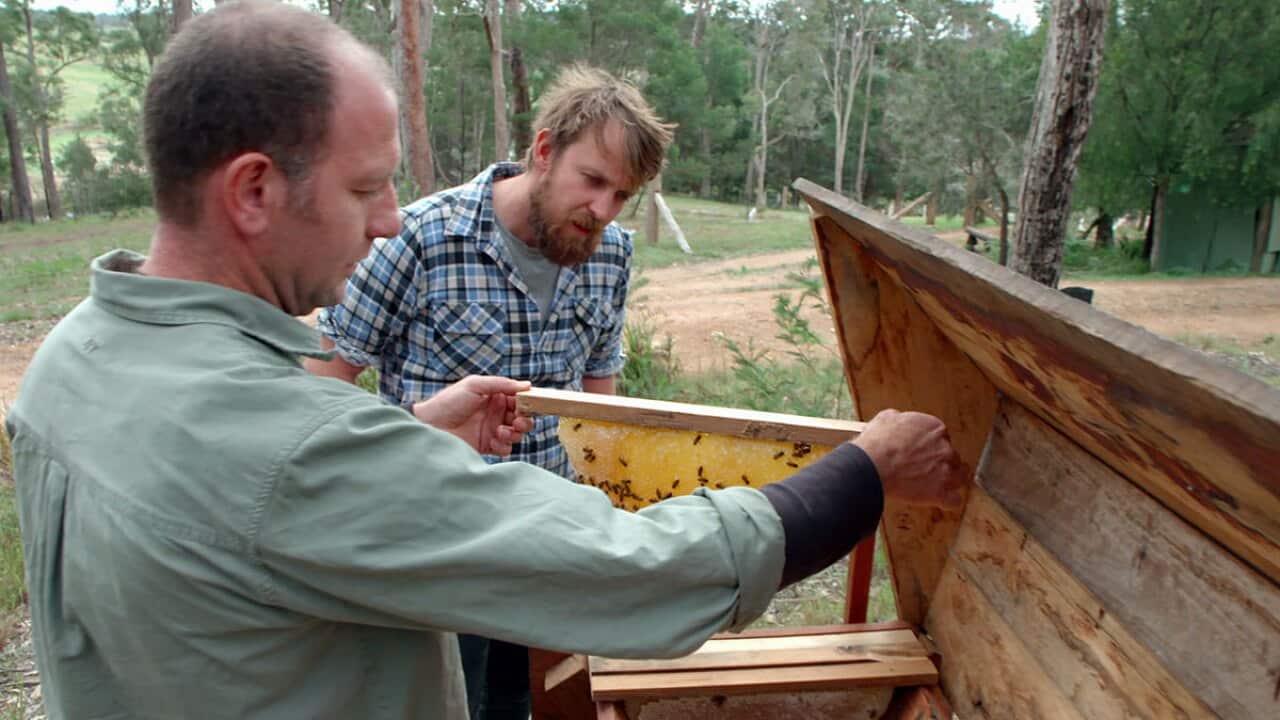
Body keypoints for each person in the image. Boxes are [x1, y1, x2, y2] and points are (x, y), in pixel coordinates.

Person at [4, 3, 966, 719]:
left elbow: (246, 523)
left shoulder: (76, 359)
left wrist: (412, 431)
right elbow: (641, 570)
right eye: (368, 189)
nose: (388, 220)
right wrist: (863, 474)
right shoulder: (291, 445)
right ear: (253, 190)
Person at [304, 64, 671, 719]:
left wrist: (609, 523)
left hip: (551, 544)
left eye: (622, 196)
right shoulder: (421, 236)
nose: (603, 210)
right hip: (440, 549)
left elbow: (600, 396)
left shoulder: (610, 255)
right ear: (544, 150)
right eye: (593, 181)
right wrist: (404, 432)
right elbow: (319, 386)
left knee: (527, 701)